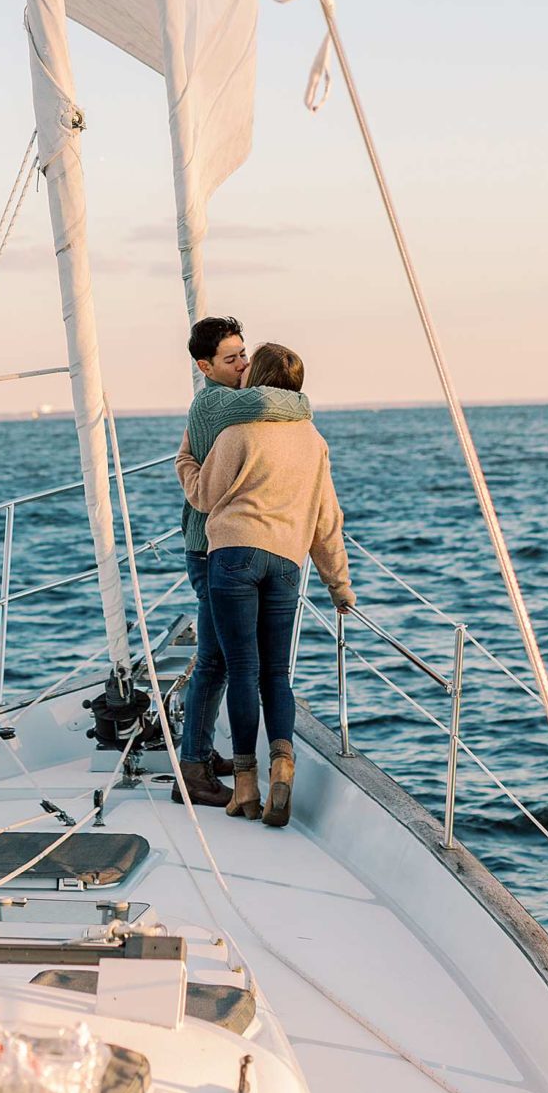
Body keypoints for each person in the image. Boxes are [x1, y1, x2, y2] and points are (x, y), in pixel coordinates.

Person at [177, 341, 353, 830]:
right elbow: (326, 520)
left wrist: (186, 460)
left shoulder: (239, 430)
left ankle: (247, 787)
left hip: (233, 557)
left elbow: (204, 496)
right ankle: (282, 765)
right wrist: (339, 586)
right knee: (276, 674)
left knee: (240, 671)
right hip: (285, 563)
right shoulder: (313, 440)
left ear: (261, 379)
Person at [173, 316, 313, 808]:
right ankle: (193, 769)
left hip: (225, 545)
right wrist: (300, 399)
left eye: (244, 355)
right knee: (216, 662)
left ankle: (205, 756)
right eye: (231, 358)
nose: (242, 365)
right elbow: (274, 400)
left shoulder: (228, 403)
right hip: (209, 545)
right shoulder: (222, 402)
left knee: (224, 662)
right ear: (205, 366)